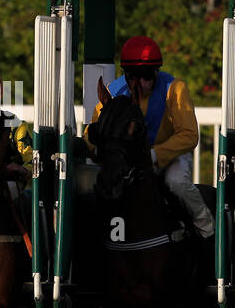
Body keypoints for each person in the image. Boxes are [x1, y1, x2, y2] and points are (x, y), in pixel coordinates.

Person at [85, 36, 214, 239]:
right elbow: (90, 133)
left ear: (156, 72)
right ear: (125, 74)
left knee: (176, 182)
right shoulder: (113, 92)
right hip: (130, 160)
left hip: (169, 156)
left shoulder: (175, 89)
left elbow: (189, 135)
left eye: (146, 75)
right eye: (133, 75)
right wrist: (99, 150)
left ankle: (206, 227)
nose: (141, 82)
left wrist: (153, 155)